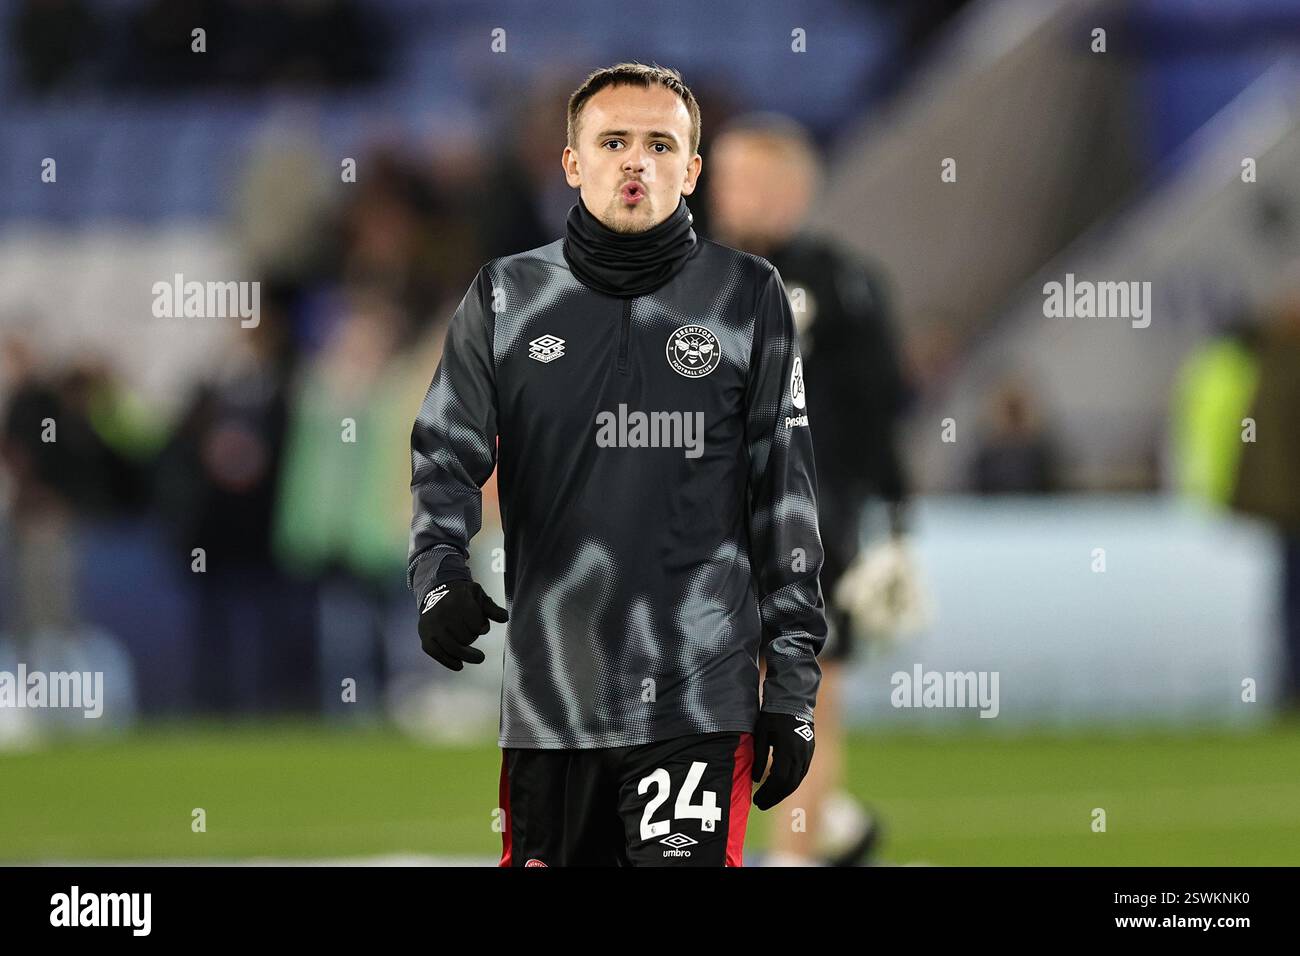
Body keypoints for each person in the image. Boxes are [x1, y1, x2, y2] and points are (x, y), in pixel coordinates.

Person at [406, 62, 828, 867]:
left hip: (701, 695)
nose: (636, 160)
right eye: (613, 141)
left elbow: (787, 498)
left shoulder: (747, 297)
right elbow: (444, 455)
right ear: (572, 162)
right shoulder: (505, 297)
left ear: (693, 169)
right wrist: (438, 573)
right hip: (551, 701)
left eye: (660, 143)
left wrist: (795, 687)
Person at [708, 114, 911, 865]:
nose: (739, 197)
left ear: (797, 191)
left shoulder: (837, 281)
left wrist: (892, 520)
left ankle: (797, 852)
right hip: (699, 519)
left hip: (808, 519)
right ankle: (831, 827)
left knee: (802, 692)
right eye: (729, 179)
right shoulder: (683, 272)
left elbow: (881, 406)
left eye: (757, 182)